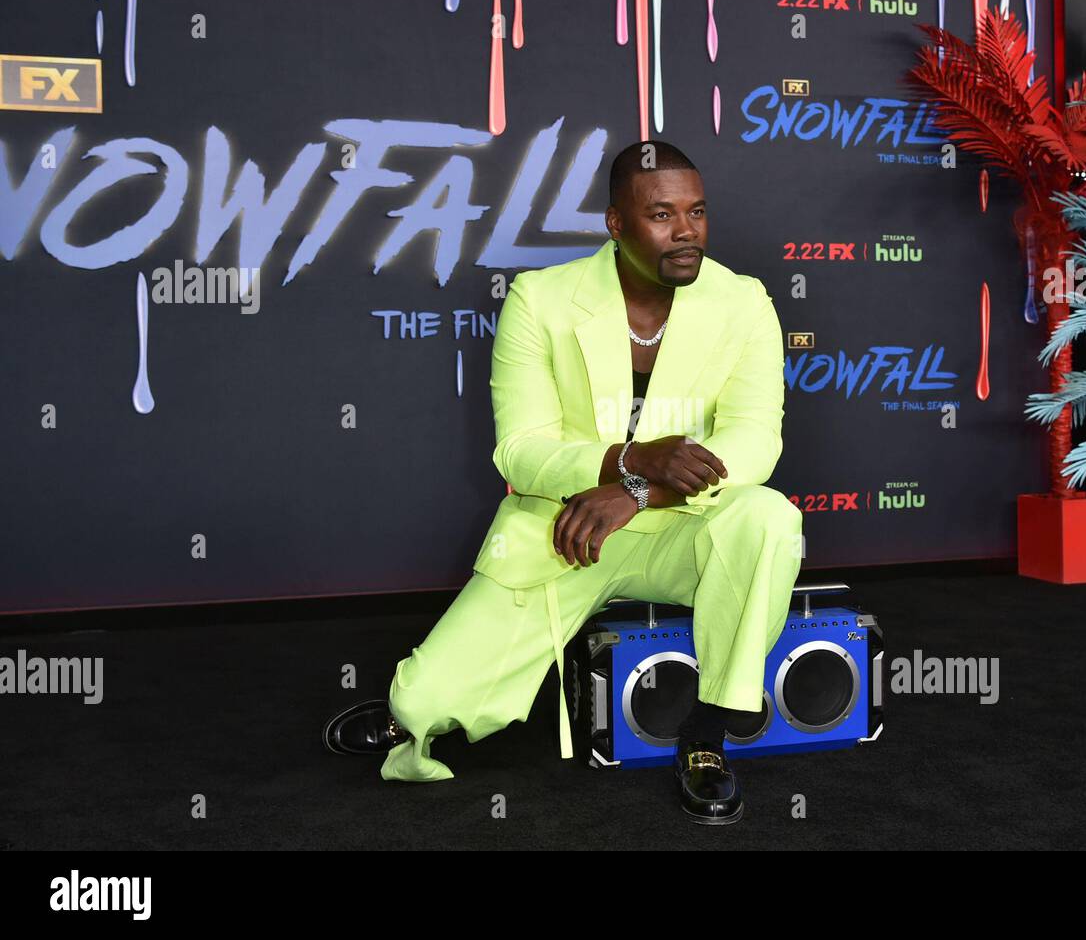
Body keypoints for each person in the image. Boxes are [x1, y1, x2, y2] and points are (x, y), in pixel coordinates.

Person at [323, 140, 802, 825]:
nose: (686, 230)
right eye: (662, 214)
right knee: (422, 705)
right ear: (615, 224)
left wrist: (638, 492)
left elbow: (755, 440)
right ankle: (409, 717)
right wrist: (628, 462)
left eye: (697, 212)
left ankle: (708, 734)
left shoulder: (744, 302)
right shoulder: (541, 299)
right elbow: (521, 451)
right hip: (571, 527)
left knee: (768, 516)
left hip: (687, 530)